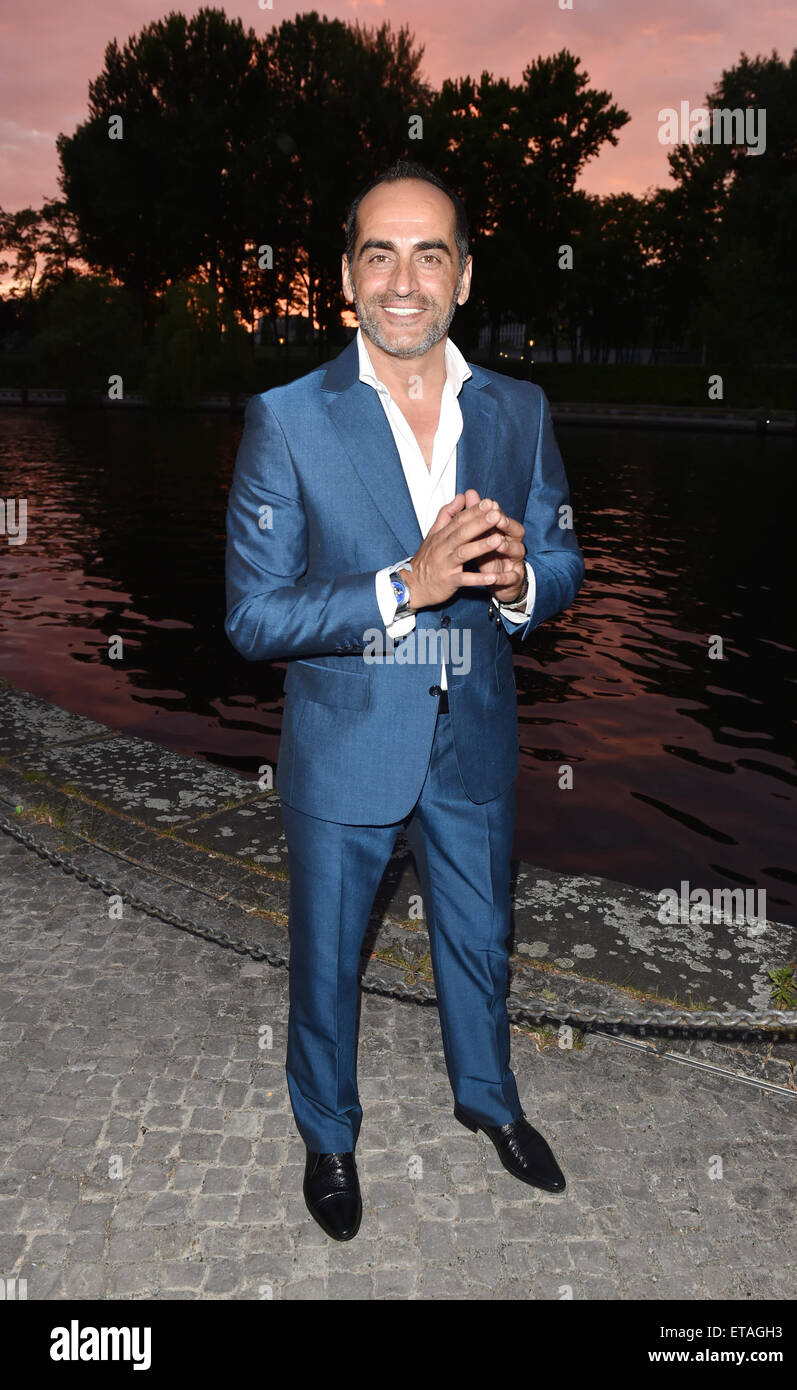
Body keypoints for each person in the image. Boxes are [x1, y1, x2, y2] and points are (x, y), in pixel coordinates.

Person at [224, 160, 585, 1242]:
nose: (403, 278)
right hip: (345, 747)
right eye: (378, 252)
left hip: (472, 731)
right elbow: (254, 617)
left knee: (479, 938)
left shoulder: (517, 409)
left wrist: (522, 583)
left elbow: (563, 552)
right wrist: (403, 585)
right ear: (346, 275)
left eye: (429, 252)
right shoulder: (286, 419)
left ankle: (489, 1100)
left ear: (463, 275)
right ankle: (328, 1135)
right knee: (328, 958)